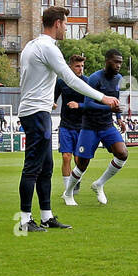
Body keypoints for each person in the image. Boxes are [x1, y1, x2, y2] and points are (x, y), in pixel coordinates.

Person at [15, 6, 118, 232]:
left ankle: (46, 216)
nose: (66, 28)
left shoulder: (32, 46)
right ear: (58, 23)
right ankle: (24, 220)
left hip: (35, 110)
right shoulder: (47, 47)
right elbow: (71, 79)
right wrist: (102, 97)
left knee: (47, 166)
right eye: (66, 23)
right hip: (36, 112)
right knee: (32, 166)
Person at [64, 49, 129, 206]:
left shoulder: (119, 78)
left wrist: (119, 118)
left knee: (122, 153)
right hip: (90, 126)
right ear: (107, 61)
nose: (118, 65)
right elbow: (87, 104)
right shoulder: (94, 78)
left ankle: (99, 184)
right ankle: (68, 193)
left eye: (120, 62)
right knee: (82, 164)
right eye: (116, 61)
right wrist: (109, 109)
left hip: (107, 125)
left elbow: (115, 102)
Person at [54, 54, 88, 201]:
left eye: (82, 66)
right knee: (66, 157)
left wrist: (79, 105)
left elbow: (92, 104)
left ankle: (77, 180)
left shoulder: (87, 82)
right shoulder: (61, 82)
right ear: (70, 67)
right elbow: (52, 98)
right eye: (77, 66)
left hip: (82, 126)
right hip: (66, 125)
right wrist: (52, 103)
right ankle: (68, 189)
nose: (80, 69)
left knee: (78, 158)